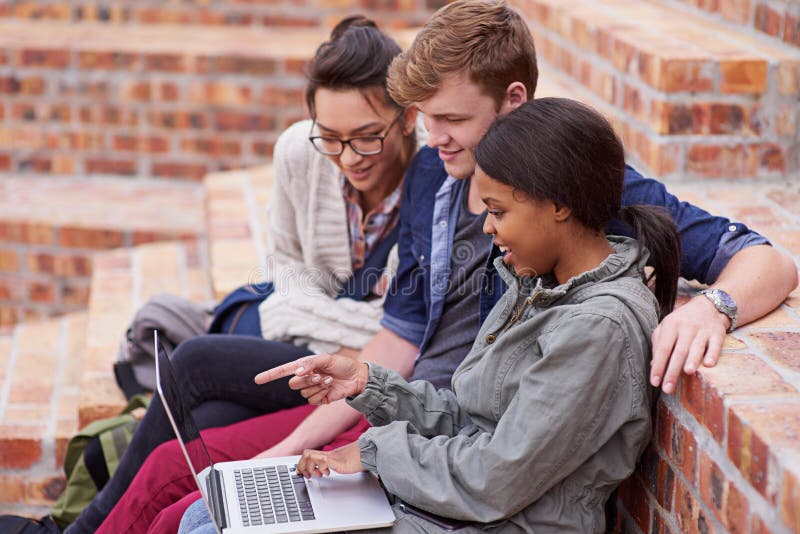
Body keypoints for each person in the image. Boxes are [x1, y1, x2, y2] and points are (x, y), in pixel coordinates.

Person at [89, 0, 798, 531]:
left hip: (446, 457)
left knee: (192, 495)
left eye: (451, 120)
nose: (432, 139)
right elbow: (412, 342)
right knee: (204, 443)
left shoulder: (581, 185)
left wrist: (714, 306)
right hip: (426, 421)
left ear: (513, 103)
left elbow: (763, 258)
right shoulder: (436, 172)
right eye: (425, 119)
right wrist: (345, 401)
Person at [184, 96, 683, 533]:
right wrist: (368, 382)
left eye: (498, 211)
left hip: (496, 523)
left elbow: (496, 477)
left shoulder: (597, 328)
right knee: (207, 513)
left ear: (559, 205)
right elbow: (470, 419)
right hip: (452, 512)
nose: (487, 228)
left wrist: (374, 454)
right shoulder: (534, 284)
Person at [50, 15, 424, 534]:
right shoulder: (299, 152)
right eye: (330, 137)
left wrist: (315, 317)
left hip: (362, 373)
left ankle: (77, 528)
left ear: (406, 118)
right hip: (303, 351)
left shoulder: (432, 178)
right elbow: (288, 274)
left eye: (366, 138)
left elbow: (396, 331)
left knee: (196, 361)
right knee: (206, 421)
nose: (347, 158)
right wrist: (331, 319)